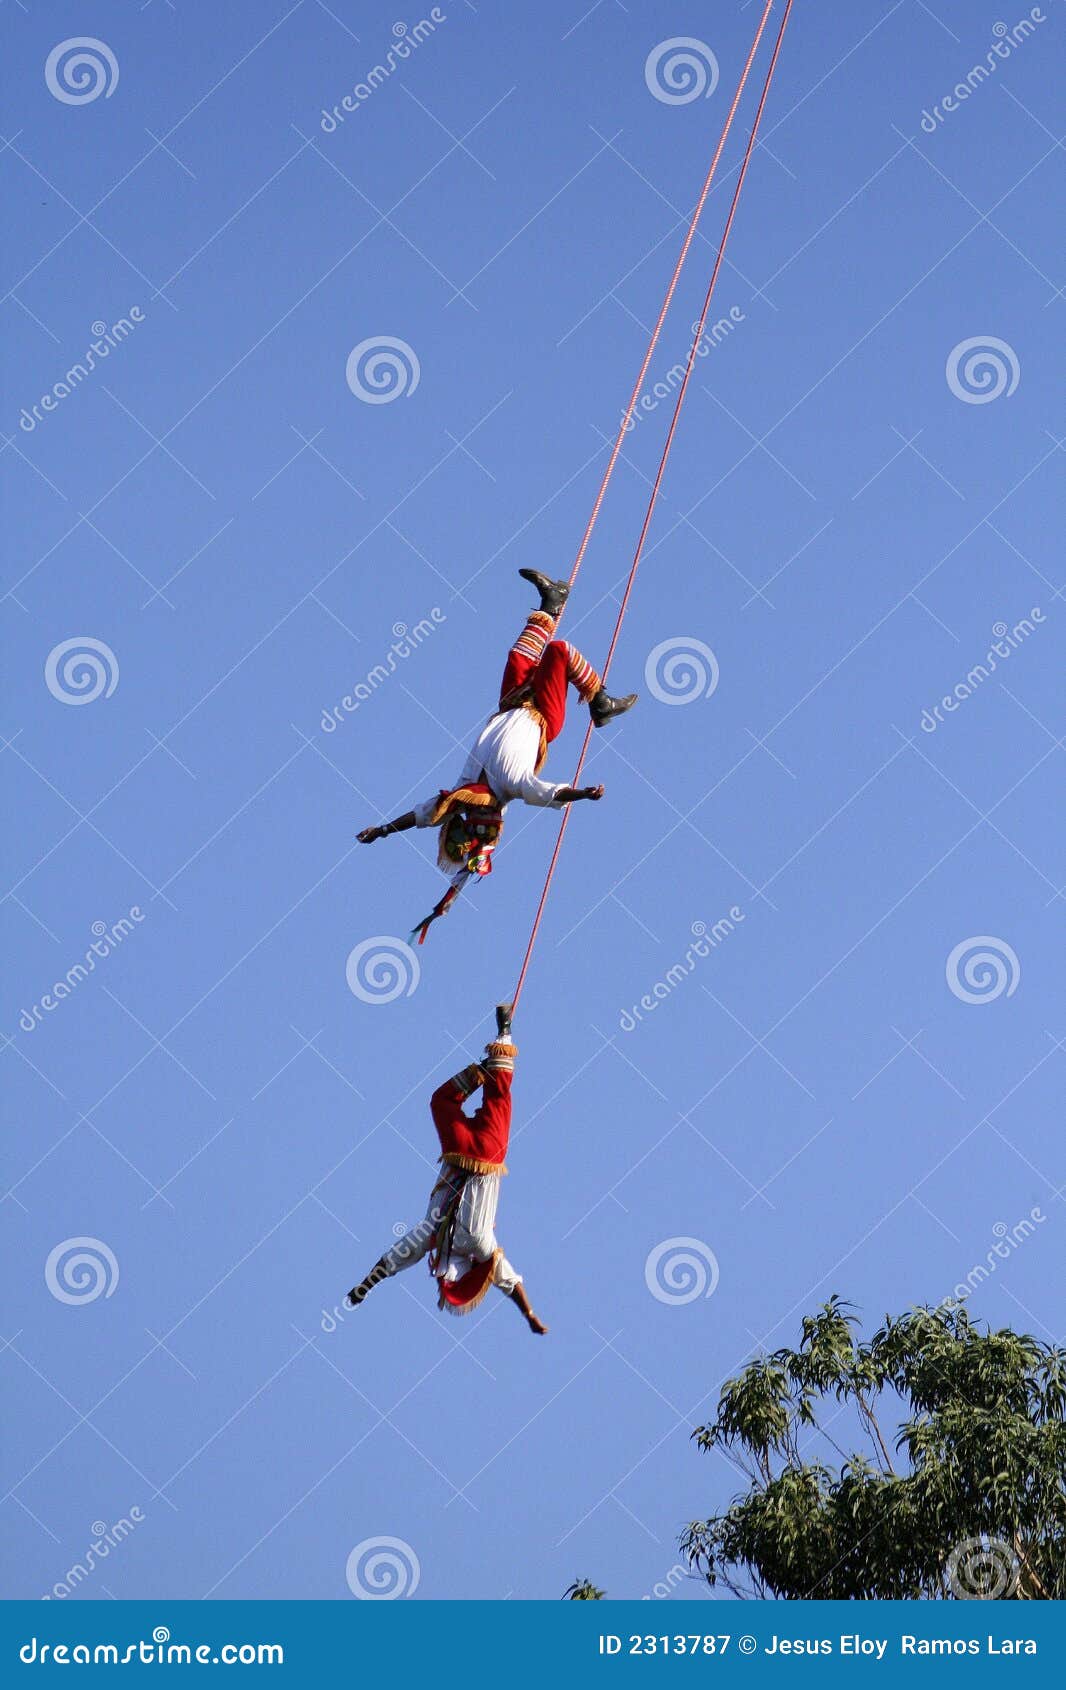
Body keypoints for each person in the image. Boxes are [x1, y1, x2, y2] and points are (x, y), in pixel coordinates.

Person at [357, 569, 637, 939]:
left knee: (519, 656)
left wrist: (382, 831)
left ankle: (551, 603)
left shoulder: (463, 785)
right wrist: (584, 793)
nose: (474, 806)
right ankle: (601, 702)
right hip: (543, 717)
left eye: (468, 810)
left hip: (510, 706)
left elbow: (420, 816)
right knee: (558, 652)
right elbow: (553, 793)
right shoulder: (514, 785)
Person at [347, 1006, 547, 1333]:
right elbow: (394, 1259)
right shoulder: (434, 1236)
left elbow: (510, 1283)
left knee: (499, 1097)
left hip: (486, 1154)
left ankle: (503, 1036)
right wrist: (365, 1285)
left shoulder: (481, 1247)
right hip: (460, 1151)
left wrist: (529, 1316)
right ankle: (485, 1063)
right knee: (443, 1102)